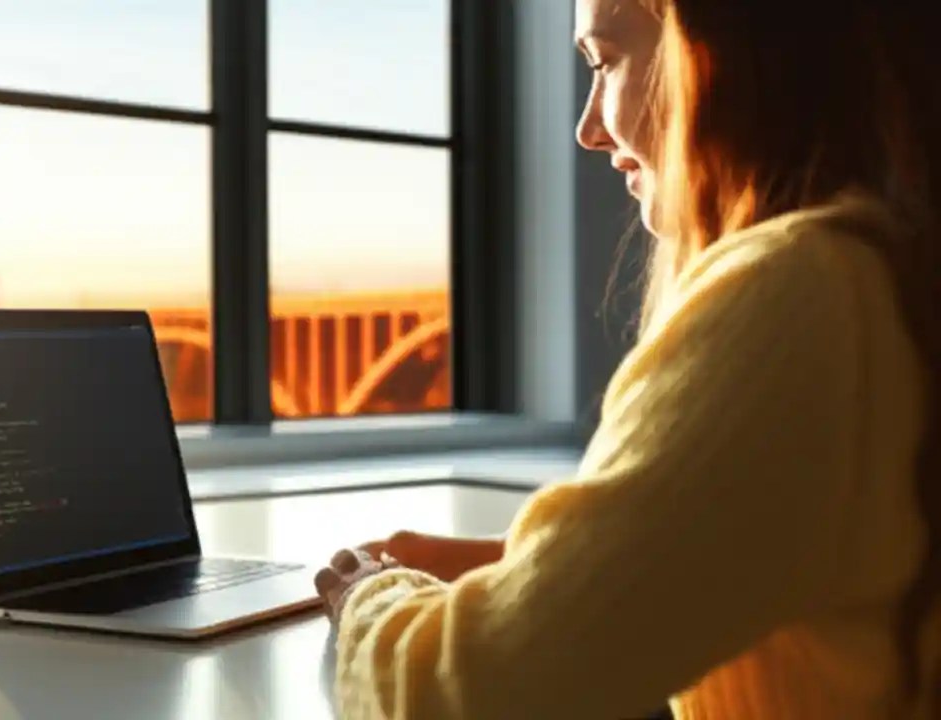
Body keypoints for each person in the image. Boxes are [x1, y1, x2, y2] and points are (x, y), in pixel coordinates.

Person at [313, 0, 941, 717]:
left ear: (711, 50)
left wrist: (370, 596)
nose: (586, 130)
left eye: (602, 61)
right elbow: (764, 550)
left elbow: (469, 694)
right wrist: (528, 567)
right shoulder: (885, 272)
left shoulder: (797, 295)